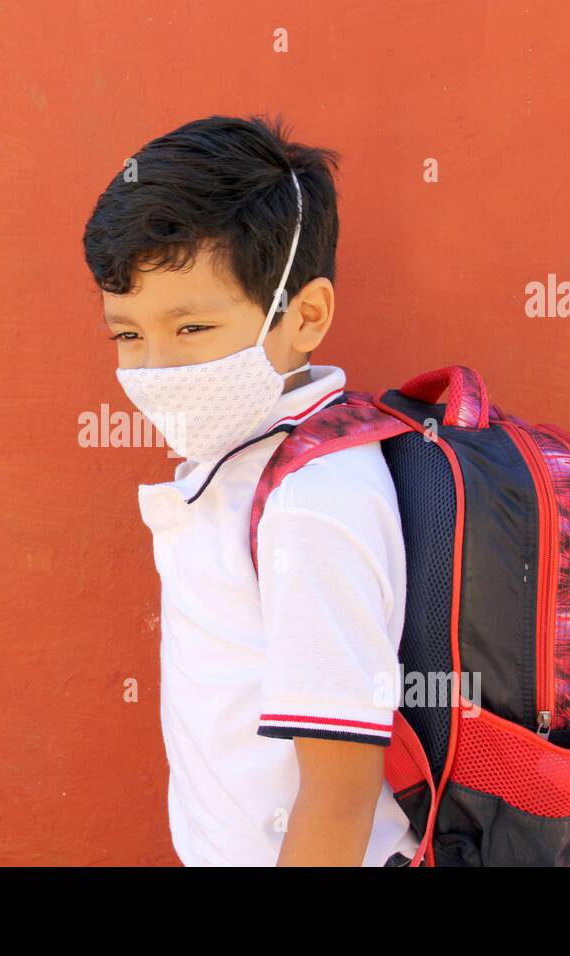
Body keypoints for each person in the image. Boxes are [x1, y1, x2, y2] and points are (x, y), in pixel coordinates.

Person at [82, 114, 422, 866]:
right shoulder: (240, 464)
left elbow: (339, 791)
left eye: (193, 328)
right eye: (128, 335)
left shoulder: (310, 501)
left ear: (306, 316)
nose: (156, 370)